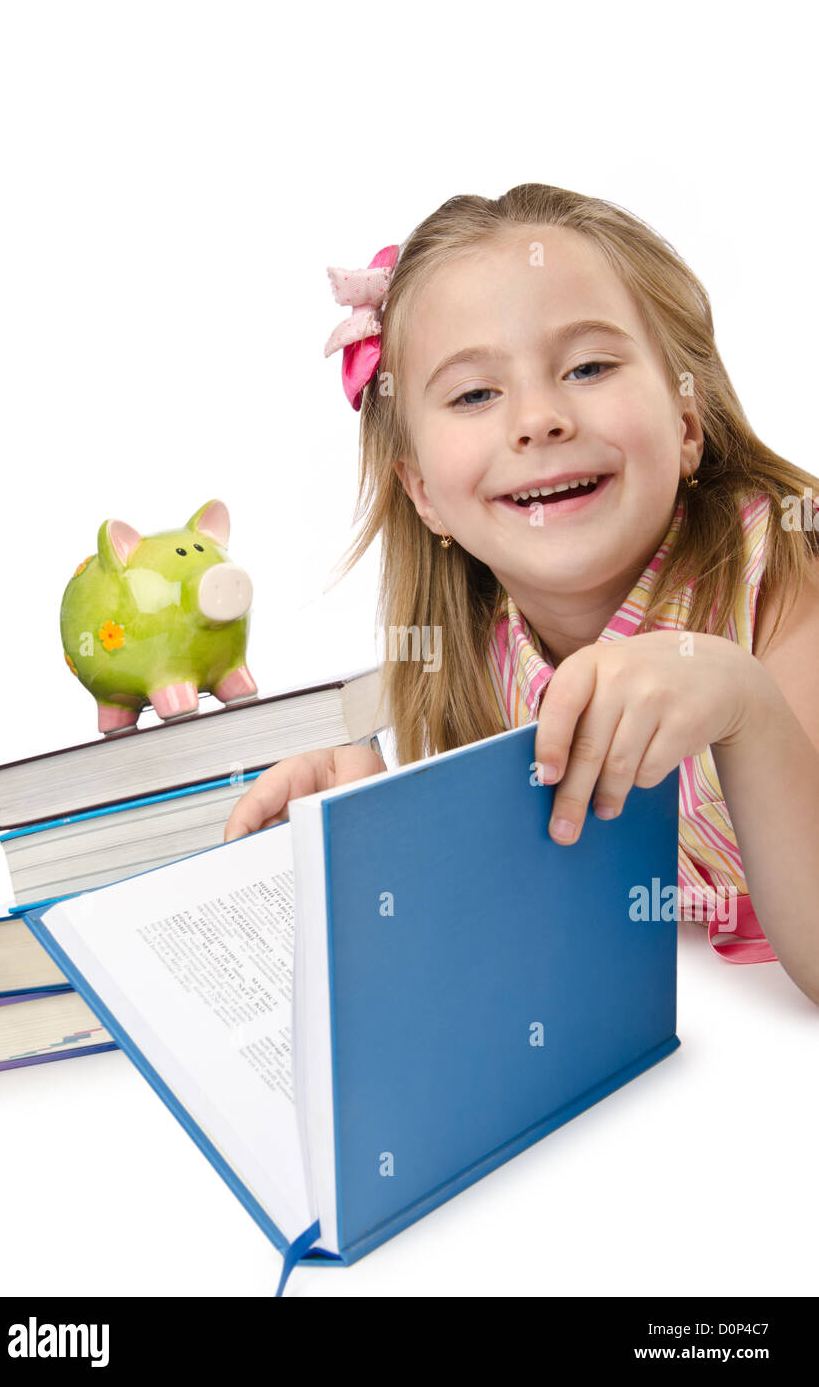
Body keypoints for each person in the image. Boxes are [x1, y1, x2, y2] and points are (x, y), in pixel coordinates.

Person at [224, 182, 819, 1005]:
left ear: (686, 424)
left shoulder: (783, 576)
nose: (537, 420)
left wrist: (743, 702)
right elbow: (529, 909)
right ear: (423, 490)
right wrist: (387, 824)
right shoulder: (485, 651)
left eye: (587, 367)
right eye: (474, 393)